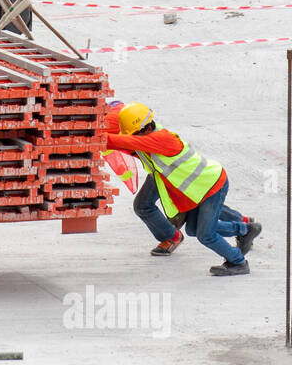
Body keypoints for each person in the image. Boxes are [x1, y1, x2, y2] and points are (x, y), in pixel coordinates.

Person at [105, 101, 261, 276]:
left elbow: (123, 140)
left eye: (135, 135)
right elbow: (124, 142)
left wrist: (98, 139)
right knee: (194, 229)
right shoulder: (146, 135)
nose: (134, 138)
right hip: (196, 191)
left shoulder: (162, 139)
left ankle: (238, 262)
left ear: (146, 129)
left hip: (211, 185)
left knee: (205, 234)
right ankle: (245, 229)